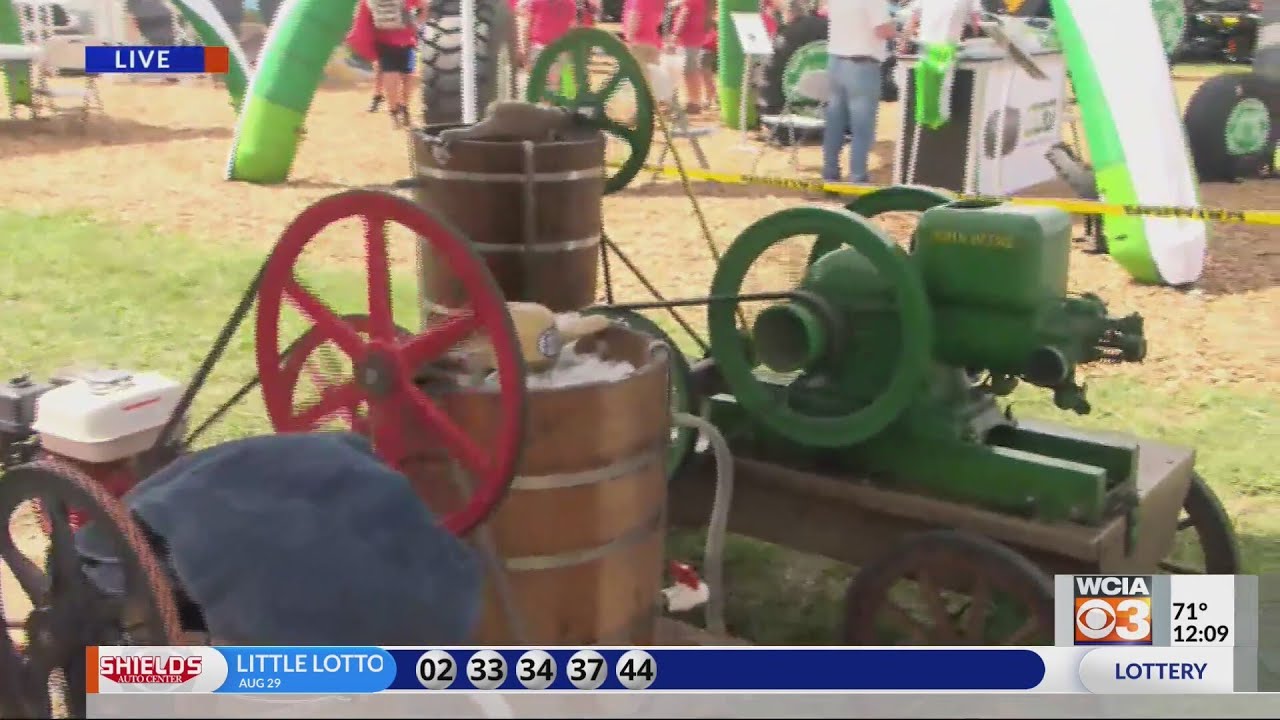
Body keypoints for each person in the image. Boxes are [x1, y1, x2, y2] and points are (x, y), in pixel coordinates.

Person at [822, 0, 896, 184]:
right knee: (862, 127)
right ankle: (857, 177)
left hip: (835, 60)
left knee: (834, 124)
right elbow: (882, 30)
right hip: (862, 64)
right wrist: (897, 31)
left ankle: (830, 174)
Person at [365, 0, 425, 126]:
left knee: (393, 76)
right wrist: (418, 25)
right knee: (405, 76)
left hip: (387, 42)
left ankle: (395, 112)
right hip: (403, 42)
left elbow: (364, 17)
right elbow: (423, 6)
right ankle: (401, 109)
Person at [518, 0, 578, 87]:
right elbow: (572, 30)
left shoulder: (536, 2)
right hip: (555, 50)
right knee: (553, 87)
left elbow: (527, 27)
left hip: (541, 50)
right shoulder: (570, 3)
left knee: (544, 87)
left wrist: (526, 55)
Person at [667, 0, 712, 114]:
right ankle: (694, 101)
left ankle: (694, 102)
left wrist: (675, 35)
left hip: (687, 39)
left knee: (689, 72)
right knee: (691, 71)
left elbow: (684, 15)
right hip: (695, 38)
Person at [623, 0, 665, 69]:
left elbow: (635, 17)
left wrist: (629, 39)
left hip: (638, 43)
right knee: (651, 75)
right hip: (653, 42)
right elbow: (660, 20)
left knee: (636, 74)